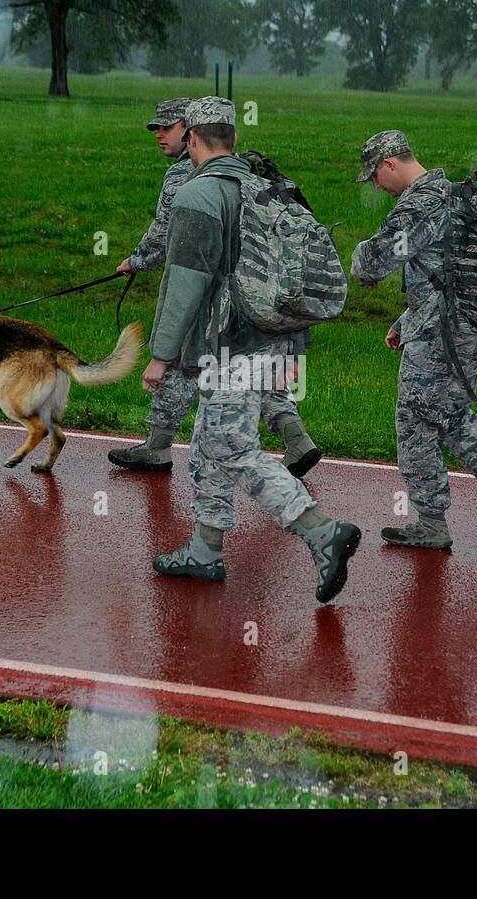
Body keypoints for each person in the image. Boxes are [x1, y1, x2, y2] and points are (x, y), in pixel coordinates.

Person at [146, 97, 360, 604]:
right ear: (234, 139)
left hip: (231, 346)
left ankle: (320, 530)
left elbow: (185, 282)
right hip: (276, 338)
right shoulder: (265, 186)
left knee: (230, 446)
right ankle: (205, 549)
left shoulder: (198, 195)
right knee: (207, 443)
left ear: (193, 139)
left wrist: (161, 355)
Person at [350, 130, 477, 549]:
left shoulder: (419, 204)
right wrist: (406, 321)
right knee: (449, 414)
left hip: (444, 334)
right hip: (462, 326)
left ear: (390, 164)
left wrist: (357, 258)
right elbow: (444, 273)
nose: (375, 185)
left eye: (374, 176)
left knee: (415, 419)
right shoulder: (451, 194)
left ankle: (433, 520)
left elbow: (373, 264)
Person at [109, 97, 321, 478]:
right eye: (156, 127)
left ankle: (159, 447)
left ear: (191, 133)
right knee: (258, 369)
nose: (159, 135)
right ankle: (296, 438)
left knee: (182, 366)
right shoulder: (251, 173)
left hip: (215, 298)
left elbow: (167, 238)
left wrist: (137, 261)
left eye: (168, 127)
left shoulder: (189, 178)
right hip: (260, 298)